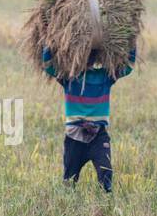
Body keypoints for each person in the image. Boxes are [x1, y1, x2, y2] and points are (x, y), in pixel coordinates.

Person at [42, 45, 135, 192]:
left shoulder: (101, 77)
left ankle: (106, 205)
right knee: (69, 180)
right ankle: (70, 207)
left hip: (98, 135)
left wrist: (48, 44)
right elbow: (128, 66)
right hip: (74, 136)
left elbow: (48, 66)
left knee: (105, 173)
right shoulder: (71, 77)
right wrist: (131, 44)